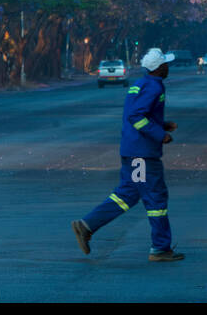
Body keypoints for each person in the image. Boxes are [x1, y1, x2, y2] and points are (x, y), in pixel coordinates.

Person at [72, 48, 185, 263]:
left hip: (132, 150)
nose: (168, 67)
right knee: (155, 197)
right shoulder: (153, 86)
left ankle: (86, 226)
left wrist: (162, 125)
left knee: (127, 194)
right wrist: (159, 134)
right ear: (159, 68)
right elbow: (136, 116)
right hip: (142, 155)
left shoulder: (139, 84)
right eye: (166, 64)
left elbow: (139, 114)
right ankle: (160, 248)